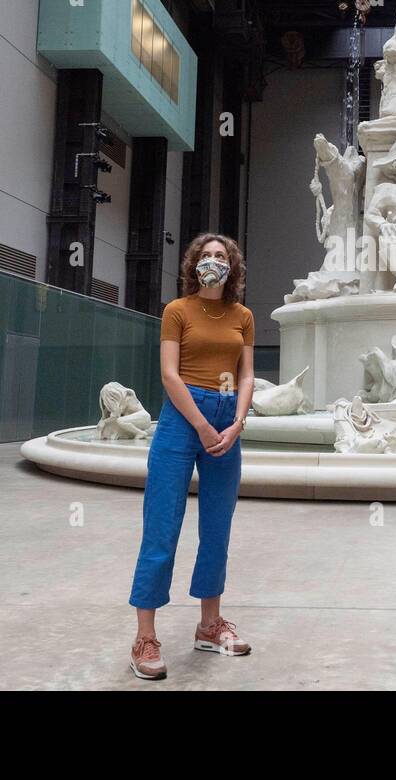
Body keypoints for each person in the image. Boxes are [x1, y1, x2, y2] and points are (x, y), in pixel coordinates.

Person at [128, 233, 256, 680]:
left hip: (226, 420)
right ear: (193, 264)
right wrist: (201, 424)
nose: (213, 262)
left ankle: (209, 624)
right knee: (162, 527)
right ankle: (145, 637)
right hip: (183, 419)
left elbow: (246, 375)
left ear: (232, 266)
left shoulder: (243, 316)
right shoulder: (177, 310)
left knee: (216, 529)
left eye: (221, 256)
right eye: (206, 256)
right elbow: (168, 373)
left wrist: (237, 423)